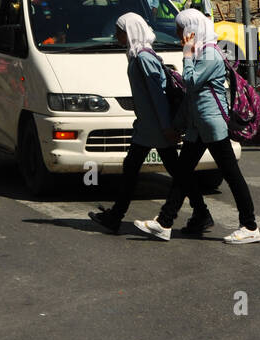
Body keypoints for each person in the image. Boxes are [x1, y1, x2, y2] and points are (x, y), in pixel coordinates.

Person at [134, 10, 260, 244]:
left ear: (192, 30)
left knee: (232, 175)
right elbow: (190, 98)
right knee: (182, 174)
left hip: (211, 125)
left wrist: (186, 54)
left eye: (181, 29)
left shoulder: (210, 53)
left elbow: (190, 83)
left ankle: (250, 225)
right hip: (198, 127)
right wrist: (178, 123)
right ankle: (164, 222)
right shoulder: (202, 51)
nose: (177, 33)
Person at [89, 13, 213, 236]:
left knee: (157, 171)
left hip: (155, 127)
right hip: (148, 126)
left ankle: (116, 217)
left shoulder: (143, 58)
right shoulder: (138, 56)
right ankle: (200, 213)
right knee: (171, 172)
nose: (115, 35)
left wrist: (166, 126)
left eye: (119, 31)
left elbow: (158, 95)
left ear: (130, 33)